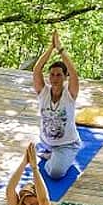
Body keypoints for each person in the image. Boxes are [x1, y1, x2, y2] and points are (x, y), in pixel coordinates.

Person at [32, 29, 81, 180]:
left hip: (67, 144)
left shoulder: (69, 94)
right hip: (46, 143)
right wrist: (50, 48)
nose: (55, 78)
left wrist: (60, 48)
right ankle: (51, 155)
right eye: (52, 74)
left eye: (59, 74)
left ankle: (58, 158)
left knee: (55, 173)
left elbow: (74, 73)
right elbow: (37, 70)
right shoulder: (43, 92)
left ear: (65, 77)